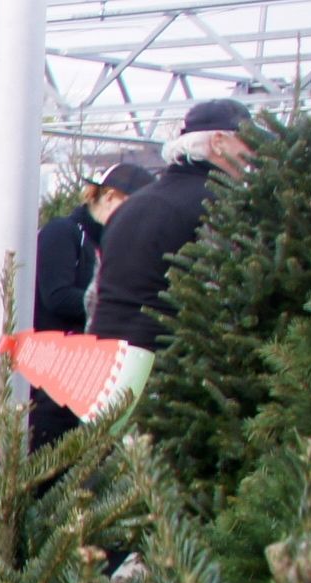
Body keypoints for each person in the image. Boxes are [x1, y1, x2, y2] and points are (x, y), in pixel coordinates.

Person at [89, 98, 257, 354]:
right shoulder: (216, 204)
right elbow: (227, 290)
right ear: (219, 142)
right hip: (167, 361)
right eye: (248, 142)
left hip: (104, 357)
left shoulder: (131, 206)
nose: (253, 153)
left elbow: (96, 294)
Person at [30, 162, 156, 449]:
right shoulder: (63, 232)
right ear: (109, 197)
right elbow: (57, 296)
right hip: (54, 371)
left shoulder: (111, 244)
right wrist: (116, 307)